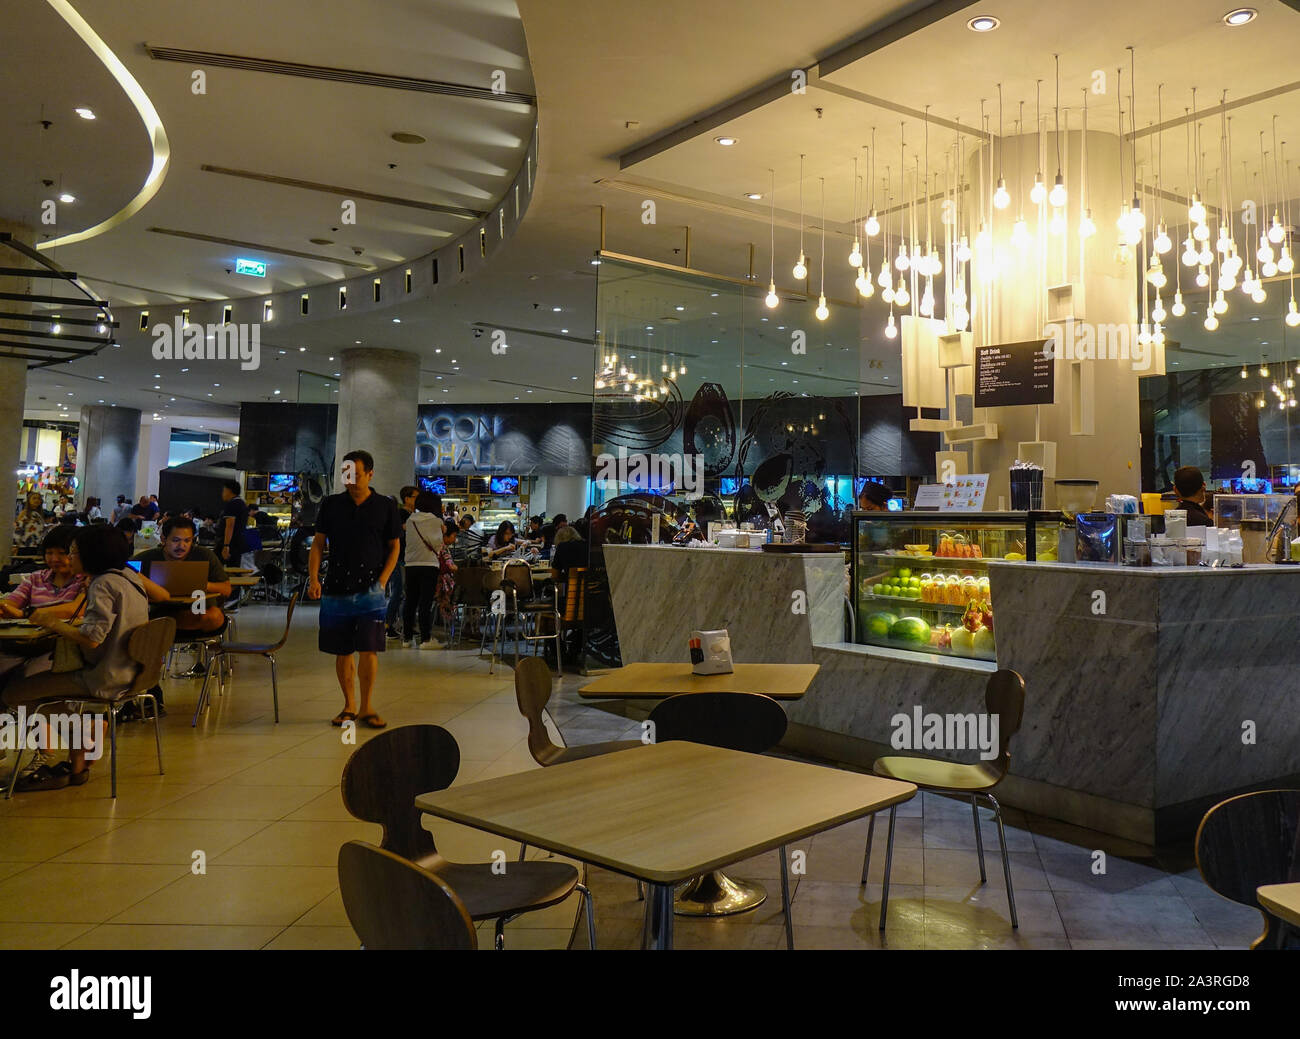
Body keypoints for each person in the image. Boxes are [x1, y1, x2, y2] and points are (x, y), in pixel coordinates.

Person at [0, 525, 149, 792]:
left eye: (73, 552)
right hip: (132, 670)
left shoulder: (103, 584)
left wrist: (52, 622)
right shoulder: (128, 577)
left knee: (13, 693)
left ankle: (80, 734)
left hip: (103, 674)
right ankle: (77, 762)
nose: (69, 557)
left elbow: (92, 637)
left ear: (92, 554)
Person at [308, 450, 400, 729]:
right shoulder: (332, 504)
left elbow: (394, 546)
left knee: (369, 649)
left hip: (371, 588)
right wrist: (314, 578)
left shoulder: (385, 506)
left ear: (370, 474)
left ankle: (368, 706)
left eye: (356, 474)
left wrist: (383, 581)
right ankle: (349, 705)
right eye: (345, 474)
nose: (349, 480)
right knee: (342, 649)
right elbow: (318, 543)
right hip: (336, 587)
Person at [402, 490, 444, 649]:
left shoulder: (411, 519)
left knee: (410, 601)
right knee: (425, 603)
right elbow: (438, 545)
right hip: (429, 565)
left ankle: (407, 638)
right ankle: (425, 639)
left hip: (411, 564)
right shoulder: (436, 520)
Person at [385, 485, 417, 641]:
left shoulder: (412, 514)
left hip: (407, 558)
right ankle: (387, 625)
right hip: (397, 558)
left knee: (405, 593)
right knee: (397, 592)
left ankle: (405, 624)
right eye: (415, 497)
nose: (417, 500)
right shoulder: (401, 514)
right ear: (407, 498)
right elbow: (397, 531)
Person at [217, 480, 248, 567]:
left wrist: (226, 545)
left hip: (231, 544)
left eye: (224, 490)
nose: (222, 493)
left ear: (229, 491)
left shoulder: (233, 504)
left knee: (221, 569)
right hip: (238, 543)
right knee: (234, 568)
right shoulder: (242, 503)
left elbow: (230, 526)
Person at [435, 520, 459, 629]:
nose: (455, 539)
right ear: (445, 534)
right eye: (454, 536)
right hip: (440, 584)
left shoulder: (436, 544)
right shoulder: (443, 547)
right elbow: (450, 566)